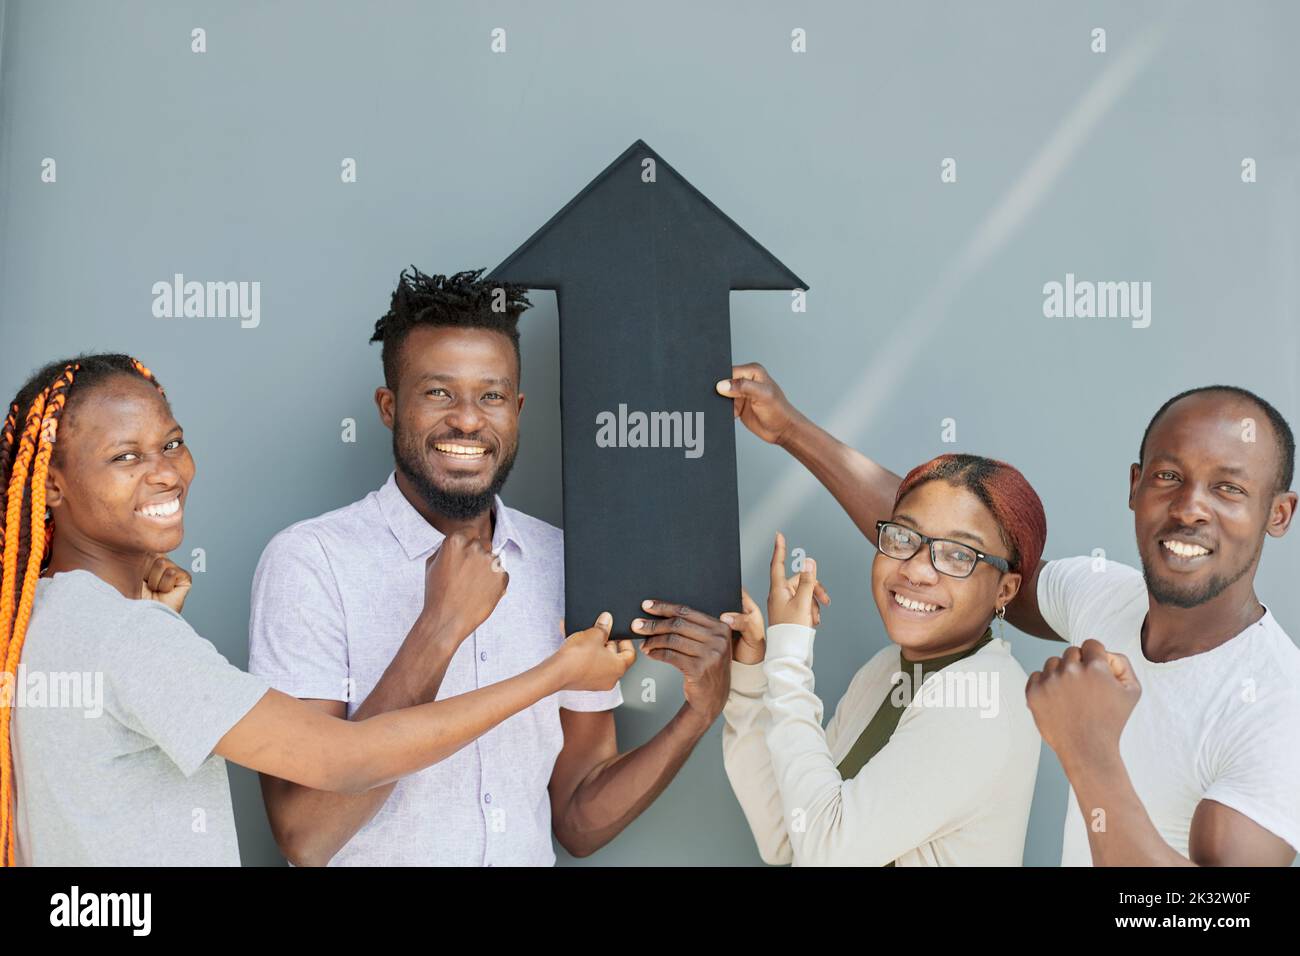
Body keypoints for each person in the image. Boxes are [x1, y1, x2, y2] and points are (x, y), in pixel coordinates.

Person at [0, 353, 631, 866]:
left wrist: (154, 618)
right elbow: (343, 761)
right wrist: (555, 674)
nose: (167, 472)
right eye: (125, 457)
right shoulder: (131, 635)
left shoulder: (49, 616)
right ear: (50, 484)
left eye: (172, 443)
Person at [250, 267, 738, 866]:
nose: (468, 419)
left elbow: (580, 820)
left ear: (518, 409)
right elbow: (306, 834)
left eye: (492, 395)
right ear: (387, 406)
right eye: (437, 392)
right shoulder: (310, 563)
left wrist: (698, 712)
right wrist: (440, 627)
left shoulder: (566, 562)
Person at [716, 365, 1300, 866]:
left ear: (1278, 514)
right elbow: (960, 542)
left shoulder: (1277, 709)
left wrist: (1088, 750)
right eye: (1169, 476)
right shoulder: (1105, 599)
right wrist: (790, 429)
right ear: (1135, 485)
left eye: (1229, 489)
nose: (1190, 507)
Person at [721, 454, 1045, 865]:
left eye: (959, 555)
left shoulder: (983, 702)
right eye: (904, 538)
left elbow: (829, 852)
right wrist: (752, 677)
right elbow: (787, 836)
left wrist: (790, 658)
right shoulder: (887, 670)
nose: (917, 571)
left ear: (1005, 590)